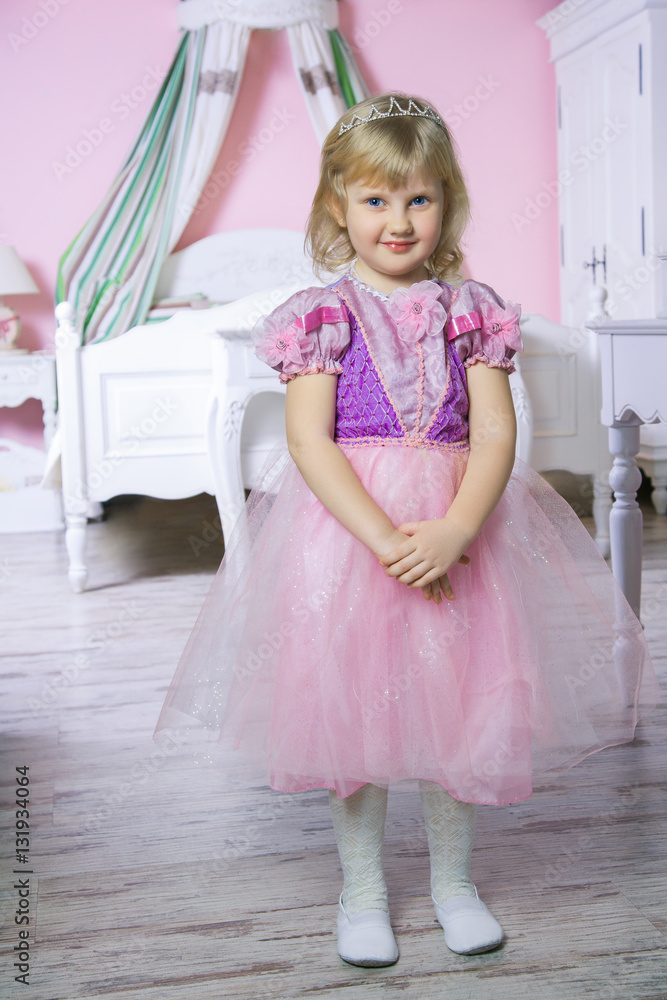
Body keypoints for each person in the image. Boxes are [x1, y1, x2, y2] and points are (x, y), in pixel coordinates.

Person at [155, 93, 658, 968]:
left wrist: (458, 528)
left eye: (419, 198)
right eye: (375, 200)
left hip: (457, 534)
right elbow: (310, 441)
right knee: (350, 714)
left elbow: (497, 432)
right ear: (335, 208)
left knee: (458, 709)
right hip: (352, 537)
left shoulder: (472, 308)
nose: (398, 219)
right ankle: (361, 891)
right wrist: (385, 538)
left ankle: (453, 883)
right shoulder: (321, 314)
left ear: (447, 204)